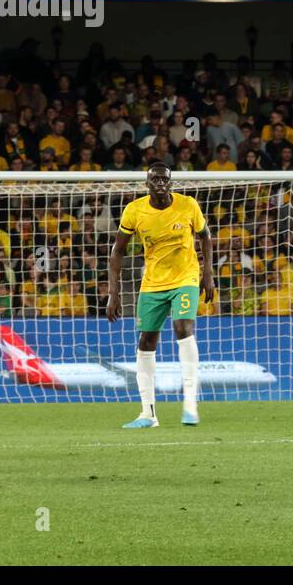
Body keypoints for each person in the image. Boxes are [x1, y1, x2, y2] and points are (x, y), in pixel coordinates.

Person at [106, 163, 215, 428]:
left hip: (185, 277)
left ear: (171, 182)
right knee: (146, 341)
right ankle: (148, 414)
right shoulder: (135, 211)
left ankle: (190, 405)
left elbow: (205, 237)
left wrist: (208, 273)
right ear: (147, 183)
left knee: (183, 327)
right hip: (153, 283)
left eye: (164, 179)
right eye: (155, 179)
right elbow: (117, 251)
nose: (160, 183)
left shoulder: (188, 205)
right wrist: (113, 293)